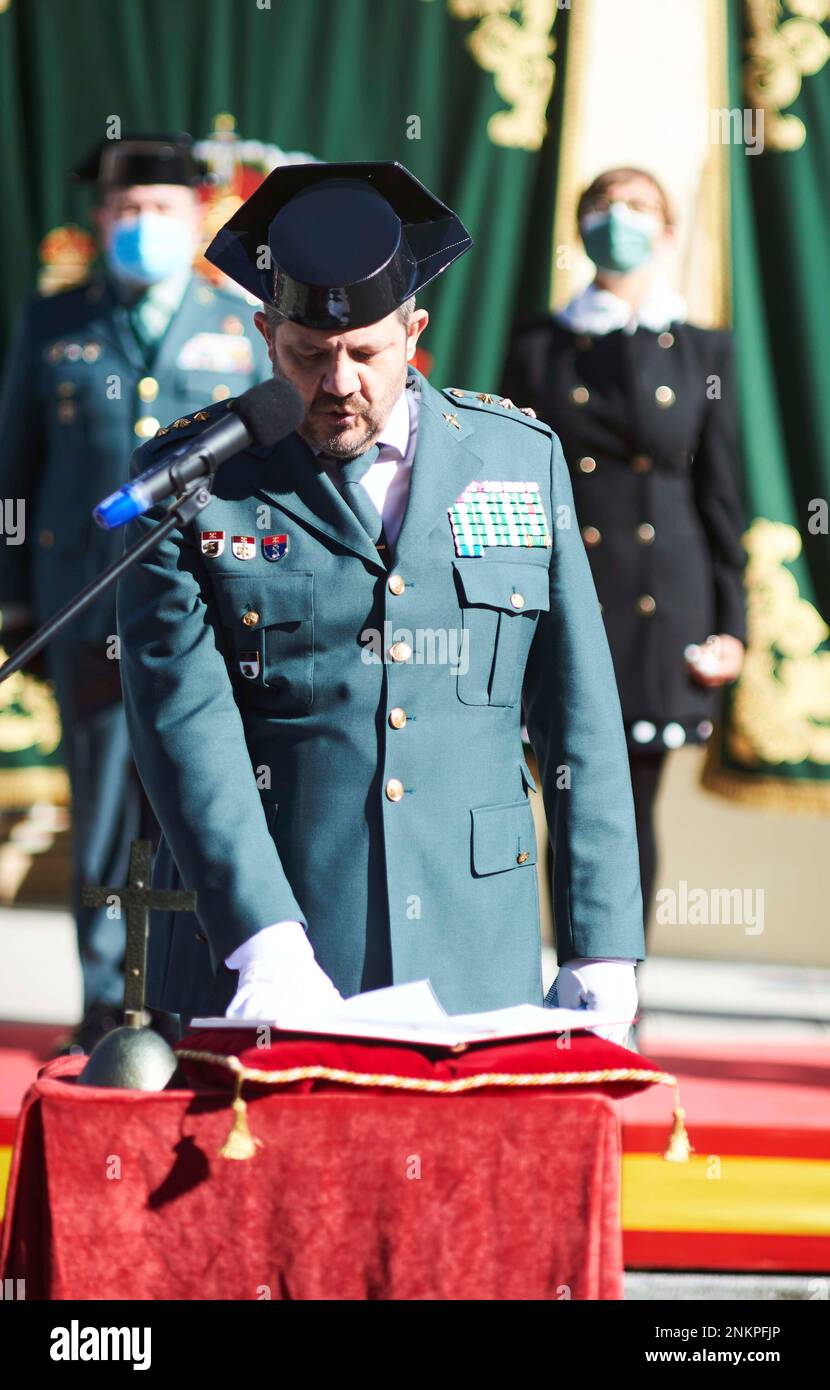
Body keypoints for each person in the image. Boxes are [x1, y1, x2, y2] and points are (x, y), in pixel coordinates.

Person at [116, 160, 645, 1040]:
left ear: (414, 333)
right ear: (263, 334)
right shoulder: (196, 480)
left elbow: (579, 716)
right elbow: (183, 726)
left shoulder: (517, 458)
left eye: (365, 354)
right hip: (270, 951)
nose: (338, 384)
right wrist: (264, 940)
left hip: (474, 954)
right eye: (308, 356)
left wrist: (601, 944)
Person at [0, 134, 271, 1051]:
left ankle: (197, 996)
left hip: (214, 611)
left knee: (211, 800)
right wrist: (12, 599)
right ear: (99, 219)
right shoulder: (54, 322)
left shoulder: (242, 326)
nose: (141, 226)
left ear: (196, 217)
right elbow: (15, 468)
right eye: (126, 211)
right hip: (88, 603)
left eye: (160, 210)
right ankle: (106, 1003)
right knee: (107, 810)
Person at [502, 167, 746, 944]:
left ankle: (615, 987)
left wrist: (732, 626)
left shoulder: (705, 350)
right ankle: (566, 967)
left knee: (629, 804)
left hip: (662, 611)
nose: (620, 220)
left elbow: (723, 498)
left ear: (668, 233)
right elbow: (509, 482)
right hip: (569, 600)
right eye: (603, 206)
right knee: (566, 797)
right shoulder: (541, 345)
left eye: (640, 206)